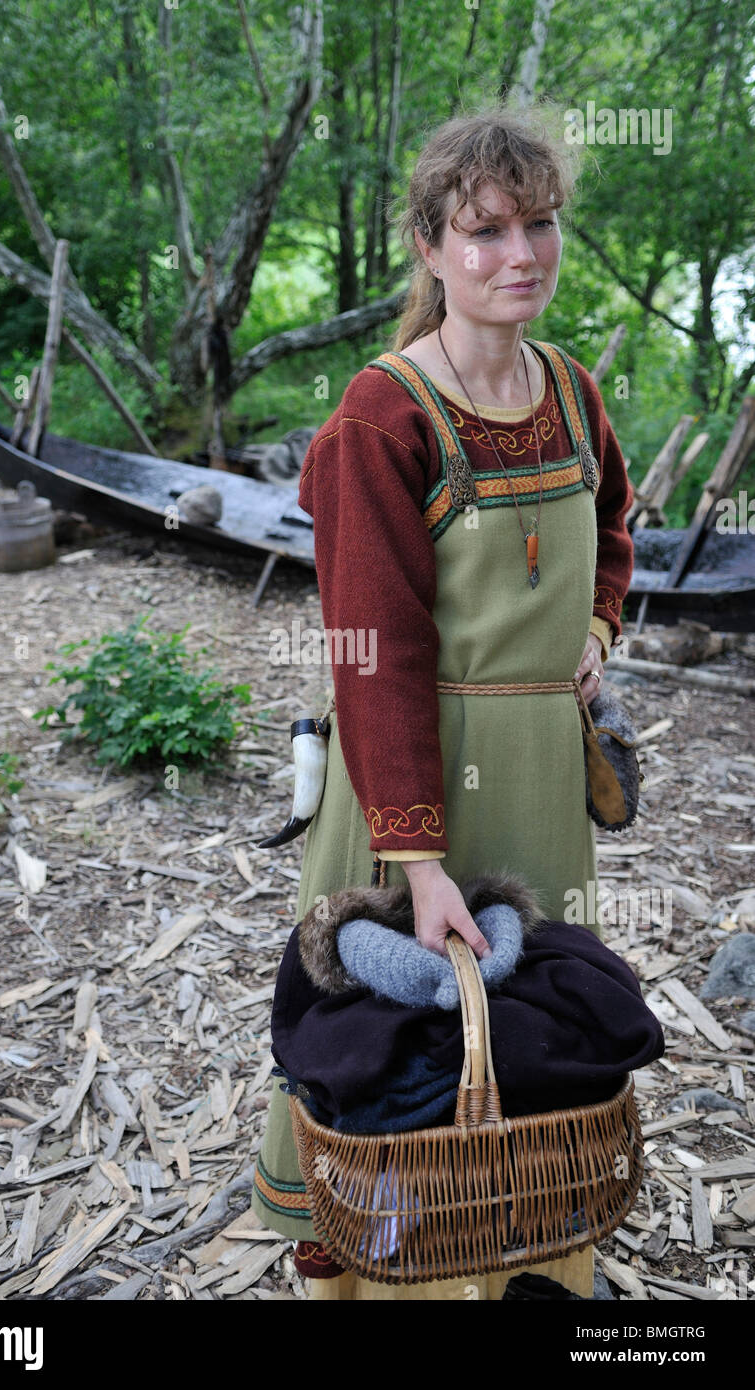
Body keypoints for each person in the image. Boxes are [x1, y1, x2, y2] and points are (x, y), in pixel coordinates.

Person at [250, 106, 634, 1284]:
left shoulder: (569, 390)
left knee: (530, 1016)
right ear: (427, 245)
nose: (520, 254)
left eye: (539, 223)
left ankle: (517, 1248)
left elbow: (613, 529)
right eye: (484, 231)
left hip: (539, 770)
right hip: (409, 772)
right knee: (402, 1028)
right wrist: (416, 865)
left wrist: (596, 627)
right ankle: (376, 1260)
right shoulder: (380, 418)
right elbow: (372, 653)